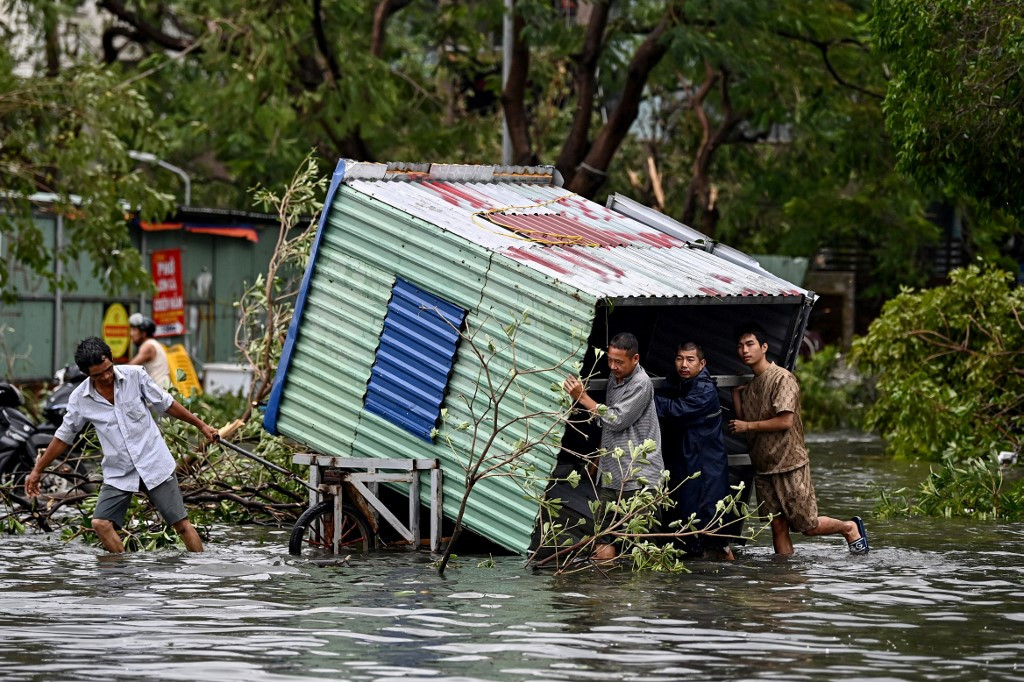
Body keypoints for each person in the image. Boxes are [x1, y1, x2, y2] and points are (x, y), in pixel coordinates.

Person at [26, 337, 219, 553]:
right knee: (100, 524)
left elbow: (167, 404)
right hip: (119, 471)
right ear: (86, 374)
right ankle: (124, 570)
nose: (106, 377)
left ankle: (200, 569)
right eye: (98, 375)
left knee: (181, 525)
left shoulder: (135, 376)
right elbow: (63, 437)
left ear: (111, 359)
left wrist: (202, 426)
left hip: (153, 462)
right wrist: (37, 470)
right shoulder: (80, 398)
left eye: (108, 369)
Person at [728, 323, 869, 555]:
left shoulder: (782, 378)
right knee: (777, 526)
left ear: (764, 347)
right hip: (764, 468)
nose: (744, 350)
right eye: (740, 346)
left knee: (807, 526)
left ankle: (849, 527)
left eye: (750, 344)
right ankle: (786, 574)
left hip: (789, 463)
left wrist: (747, 425)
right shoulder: (751, 386)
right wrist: (736, 396)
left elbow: (785, 421)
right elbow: (745, 425)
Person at [563, 332, 664, 558]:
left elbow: (616, 419)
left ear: (635, 359)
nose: (612, 366)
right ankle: (605, 580)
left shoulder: (641, 383)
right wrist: (599, 458)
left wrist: (582, 397)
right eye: (609, 360)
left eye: (619, 362)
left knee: (644, 546)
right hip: (612, 475)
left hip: (639, 478)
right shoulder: (614, 377)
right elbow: (609, 425)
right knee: (603, 537)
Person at [655, 342, 735, 560]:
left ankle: (725, 563)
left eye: (690, 360)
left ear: (702, 363)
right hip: (689, 461)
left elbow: (678, 410)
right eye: (679, 359)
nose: (684, 364)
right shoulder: (679, 382)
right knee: (687, 517)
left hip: (706, 465)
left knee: (712, 525)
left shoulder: (704, 389)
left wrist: (648, 399)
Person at [128, 313, 171, 387]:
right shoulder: (153, 343)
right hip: (162, 388)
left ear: (143, 333)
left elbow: (130, 367)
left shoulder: (148, 346)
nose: (131, 334)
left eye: (134, 330)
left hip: (160, 390)